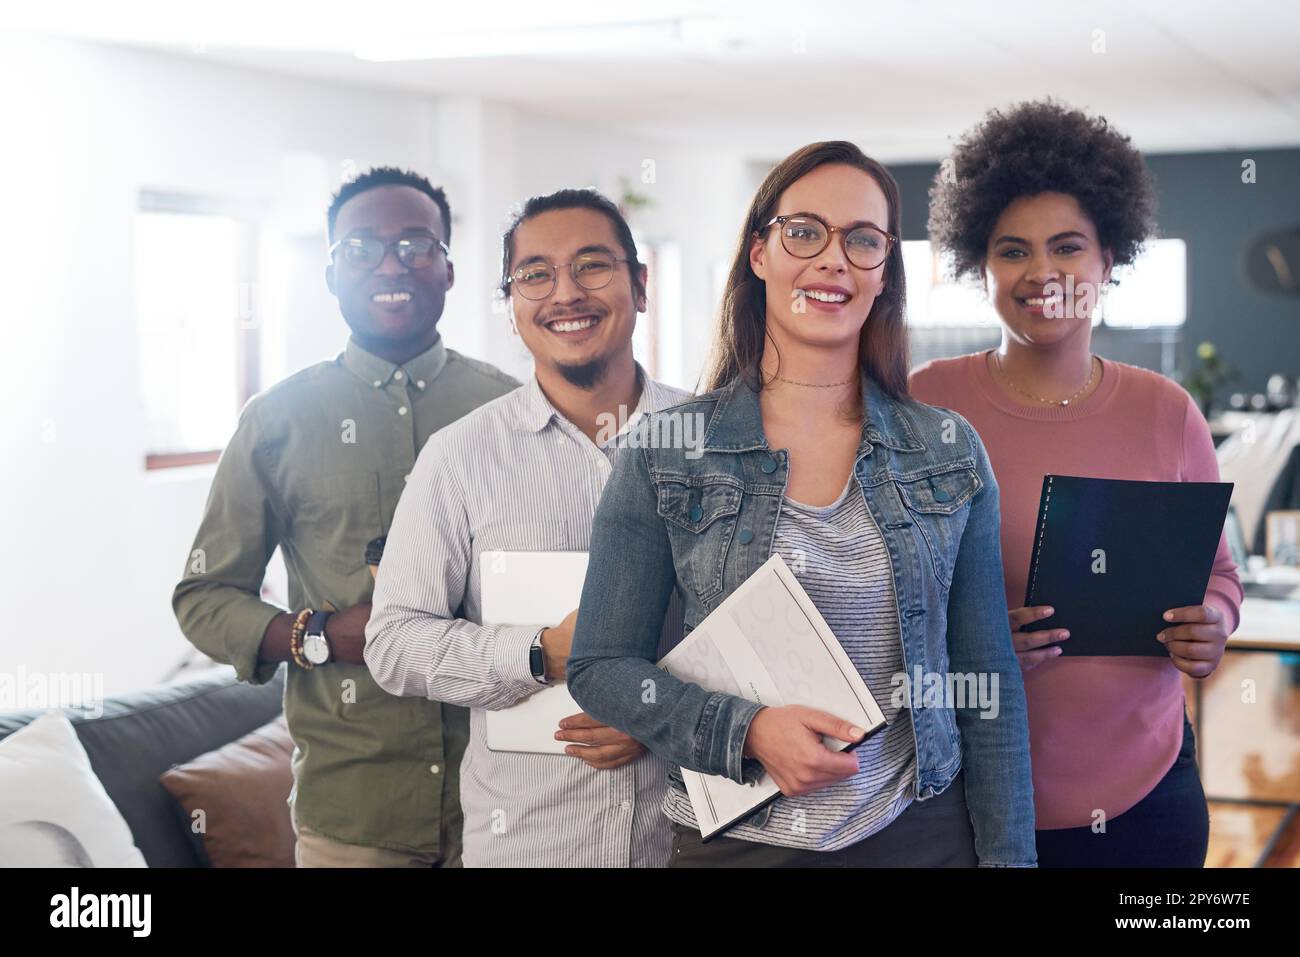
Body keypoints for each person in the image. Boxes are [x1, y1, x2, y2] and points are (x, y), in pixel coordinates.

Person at [566, 142, 1036, 867]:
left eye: (863, 240)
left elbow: (988, 676)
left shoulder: (946, 447)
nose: (833, 260)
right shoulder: (667, 449)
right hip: (738, 842)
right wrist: (745, 729)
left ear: (884, 271)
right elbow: (599, 664)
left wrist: (1010, 859)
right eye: (804, 232)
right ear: (760, 252)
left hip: (918, 833)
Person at [911, 99, 1243, 867]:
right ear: (979, 263)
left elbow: (1219, 573)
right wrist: (976, 649)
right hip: (974, 799)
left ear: (1109, 259)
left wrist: (1214, 623)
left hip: (1150, 795)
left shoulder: (1168, 412)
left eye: (1067, 247)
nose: (1042, 274)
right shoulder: (927, 403)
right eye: (1012, 250)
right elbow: (872, 589)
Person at [173, 167, 518, 867]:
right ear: (331, 274)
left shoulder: (510, 409)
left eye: (416, 244)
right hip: (355, 817)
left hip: (510, 805)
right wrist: (318, 635)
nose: (391, 264)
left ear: (448, 268)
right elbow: (204, 597)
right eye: (361, 247)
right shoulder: (277, 420)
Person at [365, 188, 689, 867]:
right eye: (536, 275)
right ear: (512, 307)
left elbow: (766, 626)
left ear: (641, 283)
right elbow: (393, 642)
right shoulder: (459, 457)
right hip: (532, 846)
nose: (564, 292)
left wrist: (663, 712)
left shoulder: (714, 441)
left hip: (691, 843)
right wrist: (540, 652)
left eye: (592, 266)